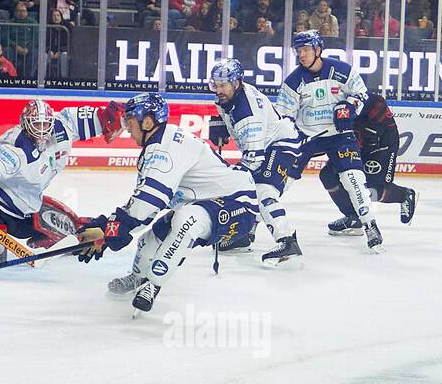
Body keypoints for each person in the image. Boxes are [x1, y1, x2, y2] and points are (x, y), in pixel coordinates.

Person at [75, 92, 259, 314]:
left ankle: (152, 284)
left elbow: (148, 203)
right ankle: (138, 278)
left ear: (148, 122)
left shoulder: (165, 147)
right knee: (148, 242)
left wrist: (114, 229)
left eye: (131, 123)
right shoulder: (158, 145)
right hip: (205, 204)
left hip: (237, 204)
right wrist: (107, 229)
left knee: (186, 220)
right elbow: (141, 206)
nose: (128, 130)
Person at [0, 97, 124, 249]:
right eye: (36, 124)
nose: (41, 129)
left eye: (45, 124)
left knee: (71, 234)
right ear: (25, 123)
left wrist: (114, 117)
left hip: (28, 212)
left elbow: (100, 118)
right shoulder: (17, 146)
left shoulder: (62, 127)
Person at [275, 29, 382, 251]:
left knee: (353, 178)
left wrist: (350, 105)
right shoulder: (293, 81)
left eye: (305, 50)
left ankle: (370, 224)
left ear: (318, 50)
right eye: (298, 51)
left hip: (339, 135)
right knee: (278, 180)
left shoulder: (341, 70)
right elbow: (284, 116)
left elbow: (362, 93)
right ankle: (251, 225)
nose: (301, 55)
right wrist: (287, 139)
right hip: (306, 136)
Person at [208, 59, 302, 263]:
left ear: (236, 83)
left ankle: (287, 240)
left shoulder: (247, 113)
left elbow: (254, 158)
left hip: (281, 146)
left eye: (222, 85)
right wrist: (220, 125)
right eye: (215, 84)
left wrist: (230, 178)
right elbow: (227, 113)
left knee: (261, 191)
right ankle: (244, 234)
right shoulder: (232, 95)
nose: (218, 90)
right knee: (250, 187)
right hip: (267, 145)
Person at [319, 88, 417, 233]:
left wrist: (371, 132)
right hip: (353, 142)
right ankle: (353, 217)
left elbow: (378, 104)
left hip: (382, 143)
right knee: (328, 175)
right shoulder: (326, 101)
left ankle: (404, 195)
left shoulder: (361, 97)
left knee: (372, 189)